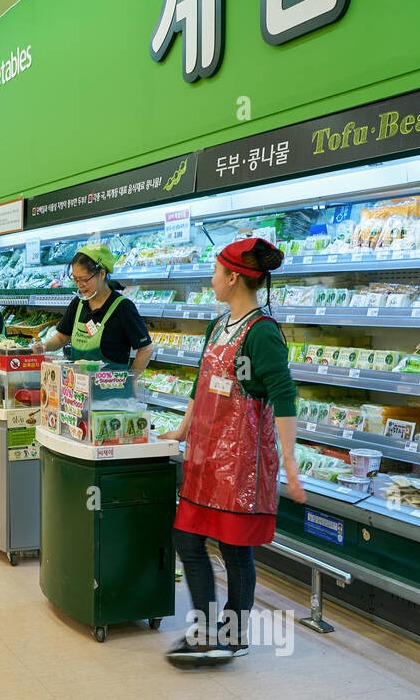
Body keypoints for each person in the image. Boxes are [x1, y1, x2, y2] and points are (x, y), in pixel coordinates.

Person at [160, 237, 306, 664]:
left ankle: (227, 633)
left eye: (216, 273)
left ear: (234, 278)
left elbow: (285, 396)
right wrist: (182, 432)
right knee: (186, 538)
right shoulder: (217, 325)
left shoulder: (263, 333)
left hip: (241, 461)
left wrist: (291, 465)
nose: (212, 279)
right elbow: (199, 385)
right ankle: (212, 631)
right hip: (205, 457)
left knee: (235, 548)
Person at [30, 243, 153, 371]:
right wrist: (45, 346)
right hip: (78, 386)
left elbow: (146, 349)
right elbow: (62, 337)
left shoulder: (123, 307)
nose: (79, 285)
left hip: (111, 388)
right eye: (75, 279)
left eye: (84, 279)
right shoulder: (78, 304)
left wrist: (131, 379)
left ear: (102, 274)